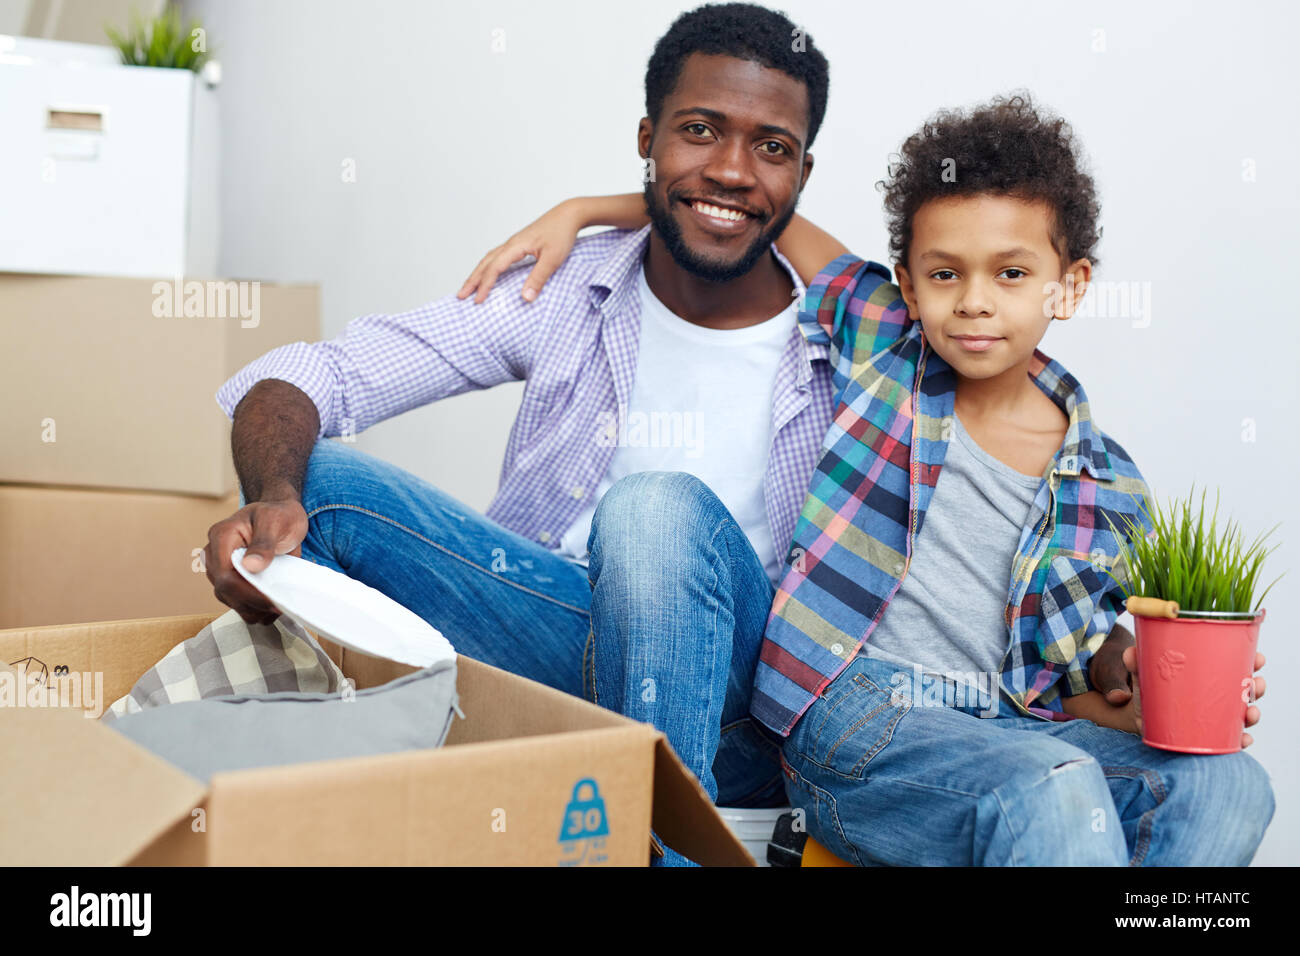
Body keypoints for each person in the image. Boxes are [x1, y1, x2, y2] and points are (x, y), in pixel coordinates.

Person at [471, 94, 1271, 865]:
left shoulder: (1111, 482)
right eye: (946, 275)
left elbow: (1076, 667)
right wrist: (586, 209)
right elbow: (753, 214)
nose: (975, 303)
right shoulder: (888, 346)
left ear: (1071, 285)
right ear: (911, 285)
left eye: (1012, 274)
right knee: (1049, 790)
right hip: (861, 711)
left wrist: (1132, 672)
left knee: (1228, 784)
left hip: (1006, 729)